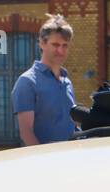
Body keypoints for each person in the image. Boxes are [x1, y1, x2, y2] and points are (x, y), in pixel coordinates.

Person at [12, 14, 77, 145]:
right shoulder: (27, 82)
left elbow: (71, 127)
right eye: (55, 44)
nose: (61, 50)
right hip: (44, 163)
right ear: (42, 43)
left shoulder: (67, 82)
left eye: (65, 45)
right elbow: (26, 133)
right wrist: (42, 162)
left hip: (70, 160)